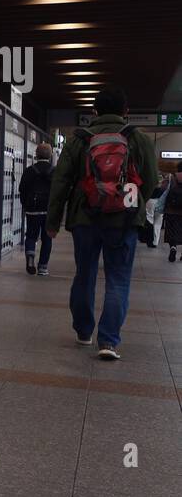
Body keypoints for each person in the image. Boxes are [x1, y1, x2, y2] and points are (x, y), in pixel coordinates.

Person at [45, 87, 159, 360]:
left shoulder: (80, 139)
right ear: (126, 111)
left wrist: (52, 221)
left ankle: (84, 331)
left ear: (94, 112)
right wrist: (132, 203)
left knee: (84, 275)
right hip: (125, 219)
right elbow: (152, 179)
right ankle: (108, 341)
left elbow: (61, 182)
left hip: (85, 217)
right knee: (118, 280)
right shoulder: (138, 138)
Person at [19, 142, 54, 275]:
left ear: (36, 155)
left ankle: (30, 258)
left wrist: (25, 205)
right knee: (47, 239)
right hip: (48, 210)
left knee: (31, 236)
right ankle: (43, 267)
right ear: (50, 155)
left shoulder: (29, 170)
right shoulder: (54, 171)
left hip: (32, 209)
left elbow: (22, 189)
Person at [158, 168, 182, 261]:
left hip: (171, 210)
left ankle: (173, 247)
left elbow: (162, 188)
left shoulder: (172, 177)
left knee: (171, 230)